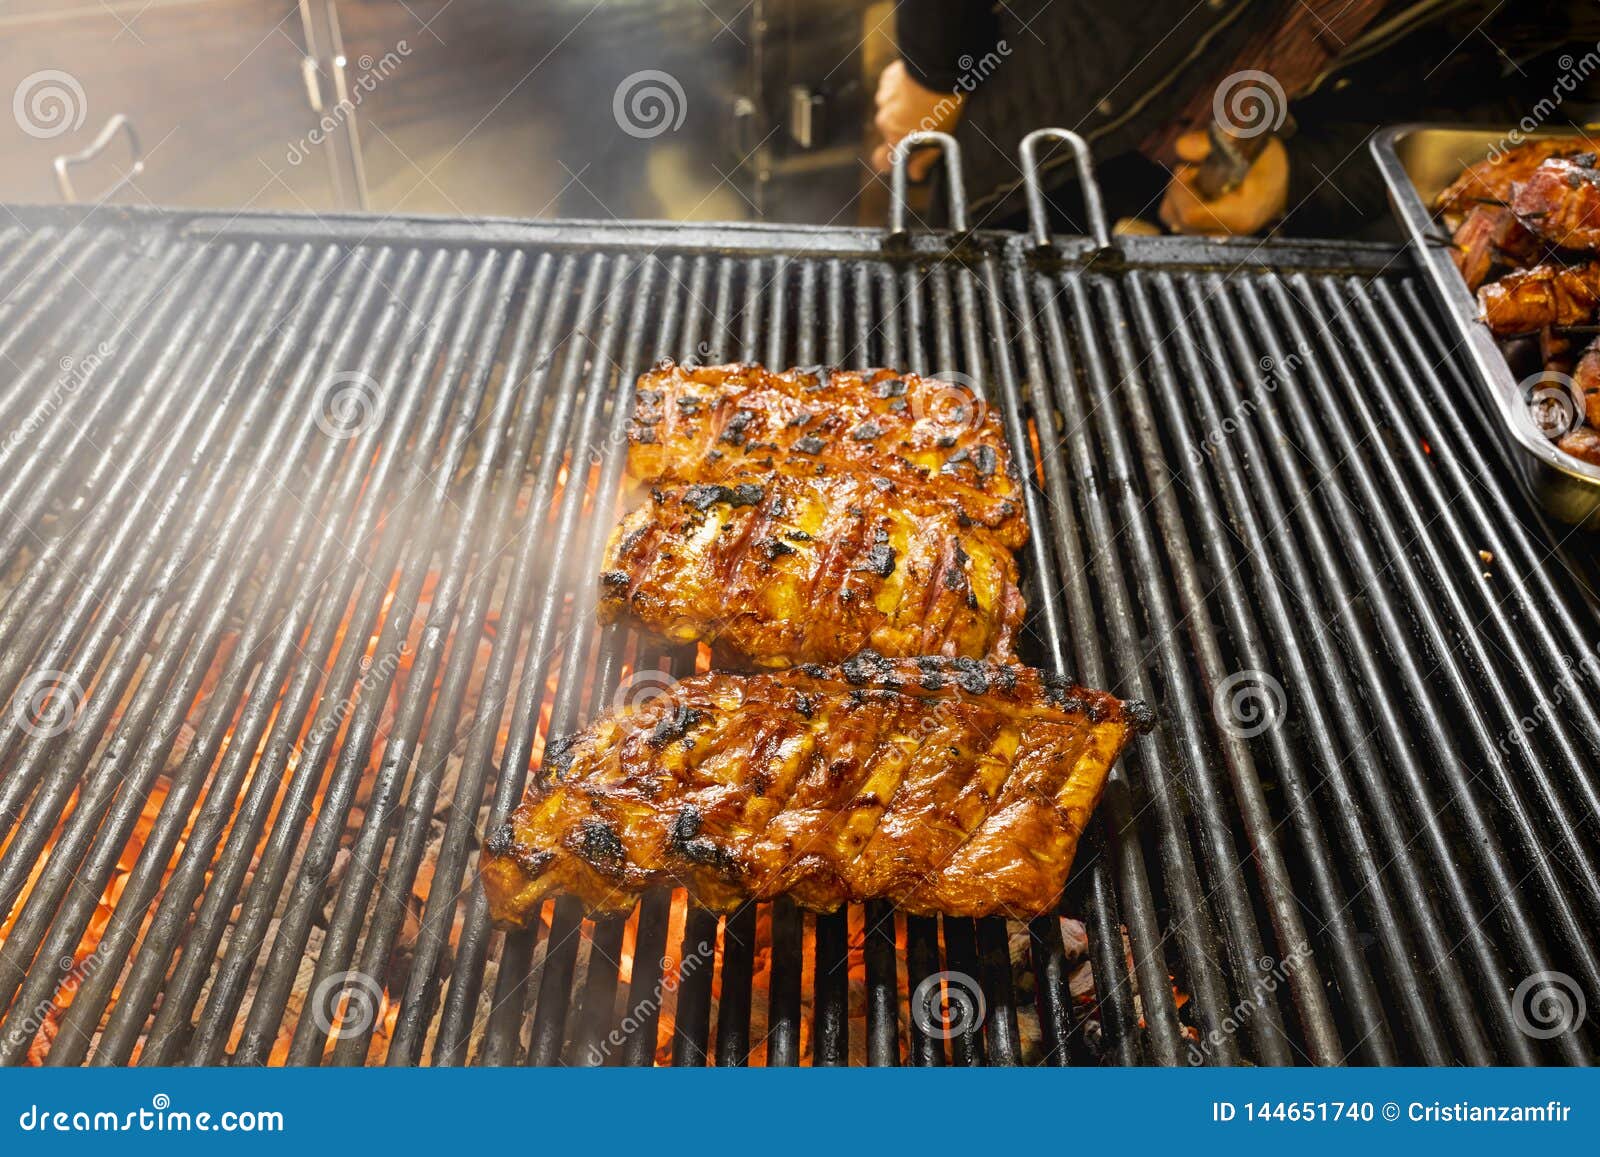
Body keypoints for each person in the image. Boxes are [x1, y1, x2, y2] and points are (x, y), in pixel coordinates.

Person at [873, 0, 1600, 238]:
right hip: (1037, 100)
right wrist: (937, 65)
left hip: (1261, 212)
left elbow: (1543, 114)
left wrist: (1305, 177)